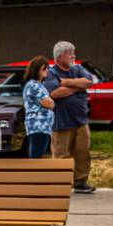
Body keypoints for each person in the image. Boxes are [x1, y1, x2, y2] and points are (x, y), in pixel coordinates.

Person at [44, 41, 96, 193]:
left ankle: (81, 182)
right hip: (61, 122)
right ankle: (60, 183)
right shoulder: (51, 73)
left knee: (83, 152)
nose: (74, 56)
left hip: (81, 120)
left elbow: (88, 82)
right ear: (60, 57)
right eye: (70, 53)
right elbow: (54, 93)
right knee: (61, 155)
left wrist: (66, 83)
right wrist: (77, 87)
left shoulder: (78, 68)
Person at [22, 55, 55, 158]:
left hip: (42, 127)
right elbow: (49, 104)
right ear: (36, 69)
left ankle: (36, 173)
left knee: (38, 155)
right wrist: (51, 102)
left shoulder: (38, 85)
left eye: (47, 67)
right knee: (36, 157)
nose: (47, 70)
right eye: (44, 68)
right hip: (39, 127)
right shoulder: (34, 85)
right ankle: (34, 174)